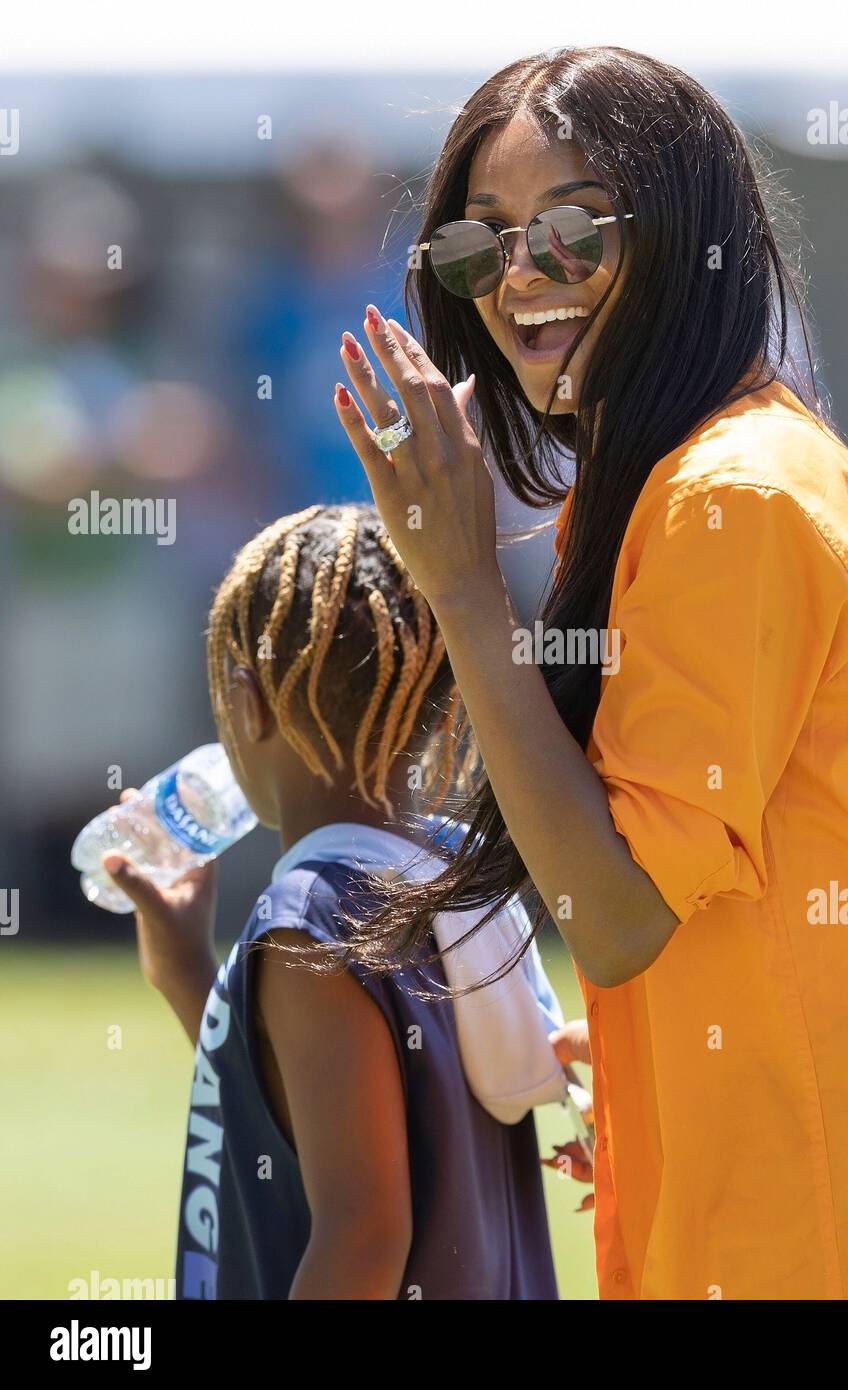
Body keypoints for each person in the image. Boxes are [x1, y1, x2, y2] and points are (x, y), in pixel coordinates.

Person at [326, 45, 848, 1301]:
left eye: (573, 230)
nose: (523, 278)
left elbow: (623, 913)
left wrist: (466, 592)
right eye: (484, 246)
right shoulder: (672, 488)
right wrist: (670, 1061)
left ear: (688, 236)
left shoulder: (731, 497)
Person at [104, 503, 560, 1299]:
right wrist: (190, 977)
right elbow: (309, 1114)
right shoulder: (452, 873)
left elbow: (364, 1238)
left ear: (246, 703)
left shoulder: (308, 923)